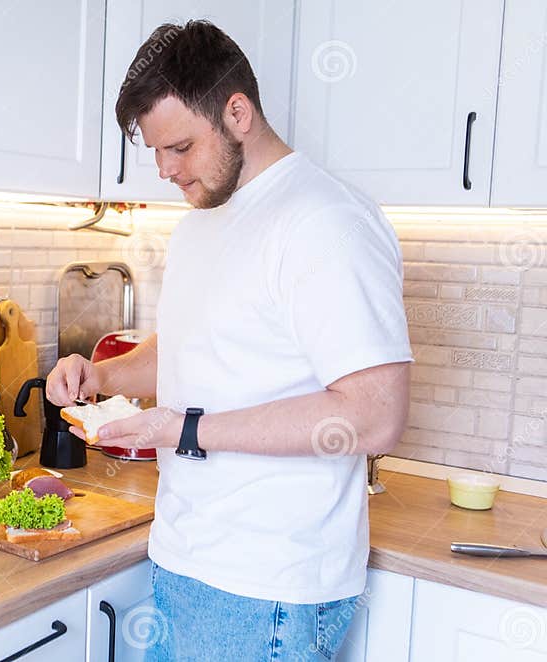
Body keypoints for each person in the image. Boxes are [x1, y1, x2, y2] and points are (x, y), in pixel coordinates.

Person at [46, 20, 413, 661]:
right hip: (183, 558)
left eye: (180, 147)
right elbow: (188, 350)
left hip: (268, 588)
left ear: (237, 112)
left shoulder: (325, 221)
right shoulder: (202, 221)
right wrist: (101, 378)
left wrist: (185, 430)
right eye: (156, 151)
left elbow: (376, 414)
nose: (165, 169)